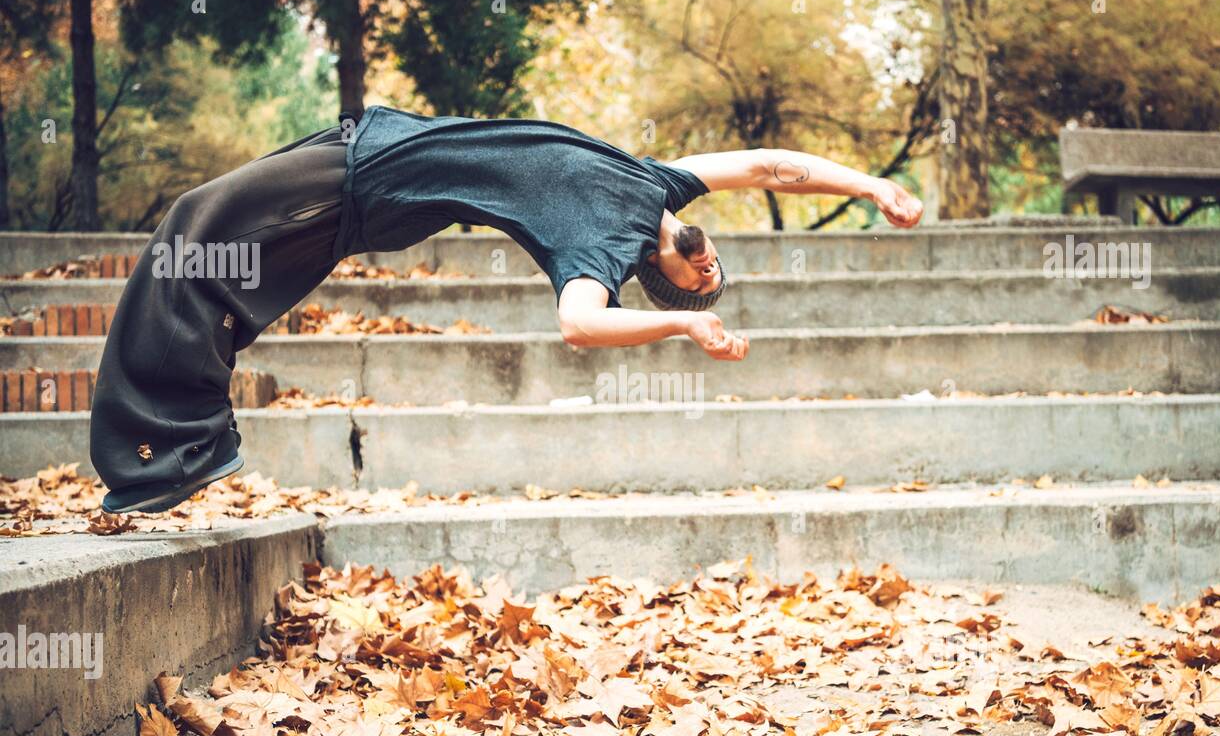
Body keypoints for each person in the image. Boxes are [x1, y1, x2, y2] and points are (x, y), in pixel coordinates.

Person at [90, 106, 923, 514]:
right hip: (368, 142)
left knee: (190, 234)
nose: (710, 263)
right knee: (211, 262)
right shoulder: (659, 182)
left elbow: (580, 323)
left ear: (657, 272)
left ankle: (166, 453)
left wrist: (681, 324)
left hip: (357, 188)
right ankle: (183, 444)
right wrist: (870, 184)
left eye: (699, 280)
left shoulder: (597, 245)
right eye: (714, 265)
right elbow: (771, 166)